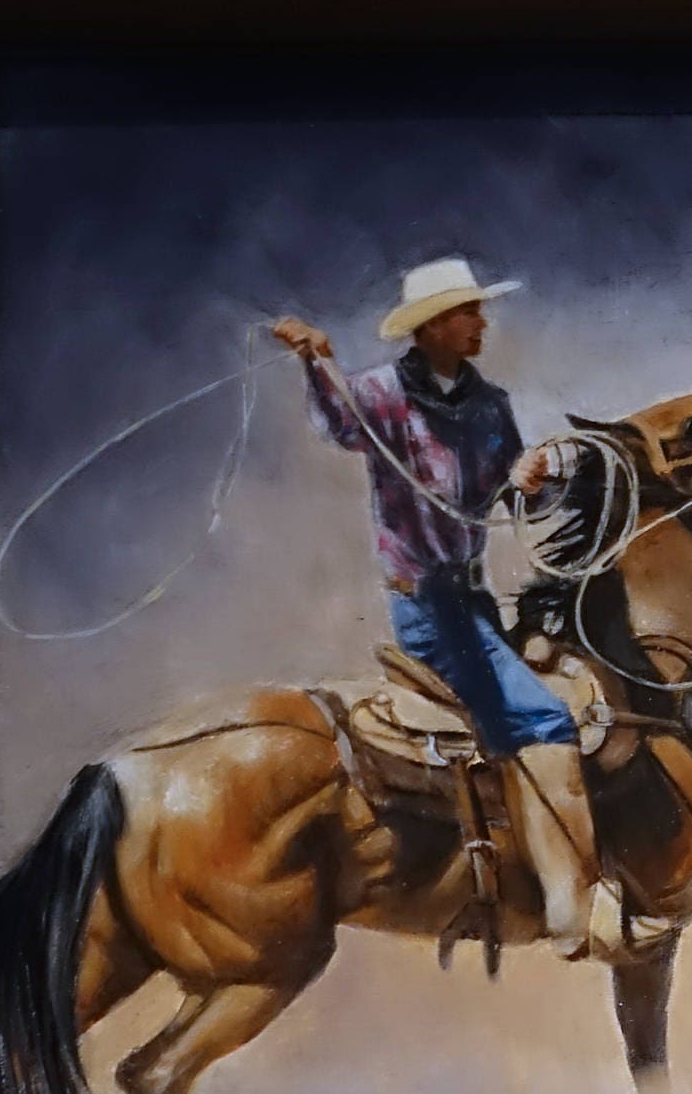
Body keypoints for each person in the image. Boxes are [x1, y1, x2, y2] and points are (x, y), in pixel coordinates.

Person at [272, 257, 637, 961]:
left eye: (477, 311)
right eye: (468, 313)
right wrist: (317, 365)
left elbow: (511, 485)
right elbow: (340, 426)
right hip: (427, 610)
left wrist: (529, 477)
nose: (481, 324)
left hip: (471, 600)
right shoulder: (381, 396)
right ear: (434, 326)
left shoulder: (491, 404)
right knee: (543, 717)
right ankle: (572, 906)